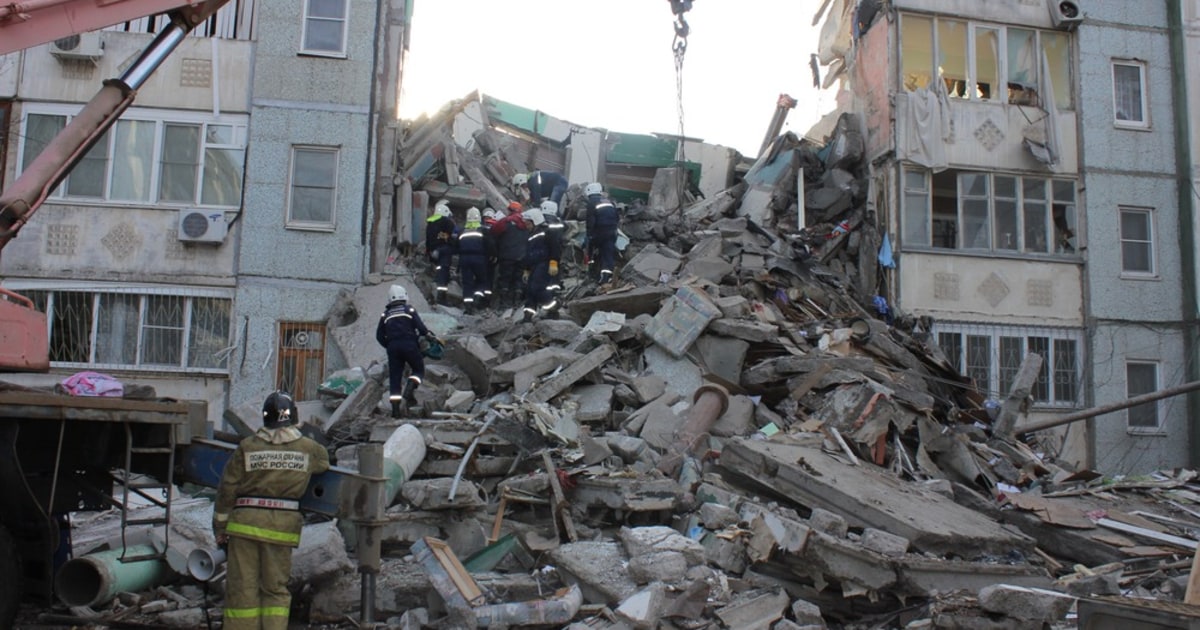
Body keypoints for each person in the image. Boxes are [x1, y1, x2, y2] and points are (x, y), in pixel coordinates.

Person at [213, 390, 330, 630]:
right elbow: (323, 464)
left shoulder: (247, 446)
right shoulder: (309, 448)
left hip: (244, 526)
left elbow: (227, 489)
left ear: (265, 418)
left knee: (242, 588)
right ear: (293, 416)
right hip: (281, 529)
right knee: (275, 590)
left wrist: (220, 527)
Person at [375, 284, 437, 417]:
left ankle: (396, 412)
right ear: (404, 296)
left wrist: (389, 345)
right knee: (418, 370)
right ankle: (410, 387)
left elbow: (379, 336)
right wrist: (428, 335)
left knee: (395, 378)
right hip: (409, 344)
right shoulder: (409, 310)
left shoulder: (385, 314)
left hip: (393, 348)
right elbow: (421, 328)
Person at [521, 207, 561, 322]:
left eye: (528, 224)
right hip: (534, 266)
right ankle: (528, 315)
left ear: (535, 221)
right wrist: (527, 269)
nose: (526, 226)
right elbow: (528, 254)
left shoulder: (547, 232)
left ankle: (553, 308)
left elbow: (555, 248)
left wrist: (553, 262)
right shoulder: (530, 235)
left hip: (544, 264)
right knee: (529, 290)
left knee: (537, 288)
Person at [490, 202, 529, 309]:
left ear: (510, 210)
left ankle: (503, 303)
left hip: (507, 256)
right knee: (519, 278)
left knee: (505, 278)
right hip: (523, 256)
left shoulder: (505, 222)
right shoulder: (527, 223)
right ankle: (517, 302)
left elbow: (493, 232)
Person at [456, 207, 493, 313]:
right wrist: (492, 256)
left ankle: (468, 306)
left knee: (467, 283)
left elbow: (456, 245)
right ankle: (477, 299)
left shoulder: (462, 231)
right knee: (482, 280)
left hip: (464, 259)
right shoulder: (483, 230)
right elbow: (490, 245)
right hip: (479, 259)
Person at [584, 182, 620, 285]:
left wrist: (589, 235)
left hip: (599, 232)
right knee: (607, 254)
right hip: (611, 233)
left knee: (589, 248)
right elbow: (617, 218)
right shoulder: (609, 202)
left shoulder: (591, 203)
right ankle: (606, 277)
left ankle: (591, 272)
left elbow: (590, 221)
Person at [425, 201, 457, 305]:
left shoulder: (430, 224)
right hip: (444, 251)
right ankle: (441, 298)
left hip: (433, 252)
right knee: (443, 274)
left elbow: (428, 241)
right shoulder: (447, 222)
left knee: (439, 272)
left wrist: (429, 252)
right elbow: (453, 237)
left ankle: (434, 295)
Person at [540, 200, 566, 302]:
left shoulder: (543, 223)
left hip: (545, 255)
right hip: (556, 254)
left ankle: (547, 298)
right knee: (555, 276)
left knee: (544, 277)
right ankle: (555, 294)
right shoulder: (558, 222)